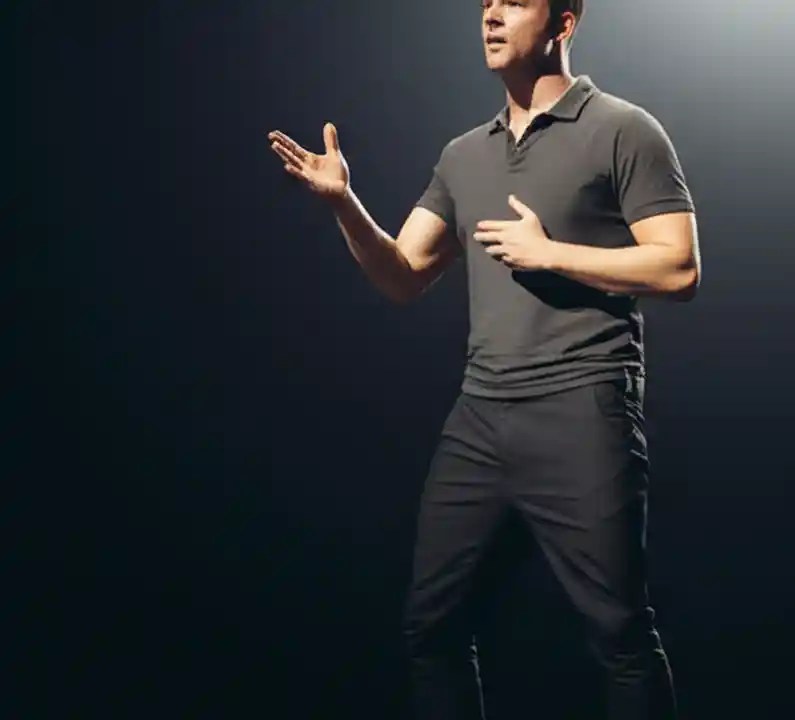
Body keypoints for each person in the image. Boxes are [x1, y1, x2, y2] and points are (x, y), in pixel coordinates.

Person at [266, 0, 700, 717]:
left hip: (582, 408)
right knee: (430, 629)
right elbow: (404, 272)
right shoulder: (464, 155)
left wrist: (550, 253)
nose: (491, 15)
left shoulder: (624, 129)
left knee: (620, 634)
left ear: (563, 23)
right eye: (486, 3)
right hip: (481, 420)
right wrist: (344, 203)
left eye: (515, 2)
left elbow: (680, 268)